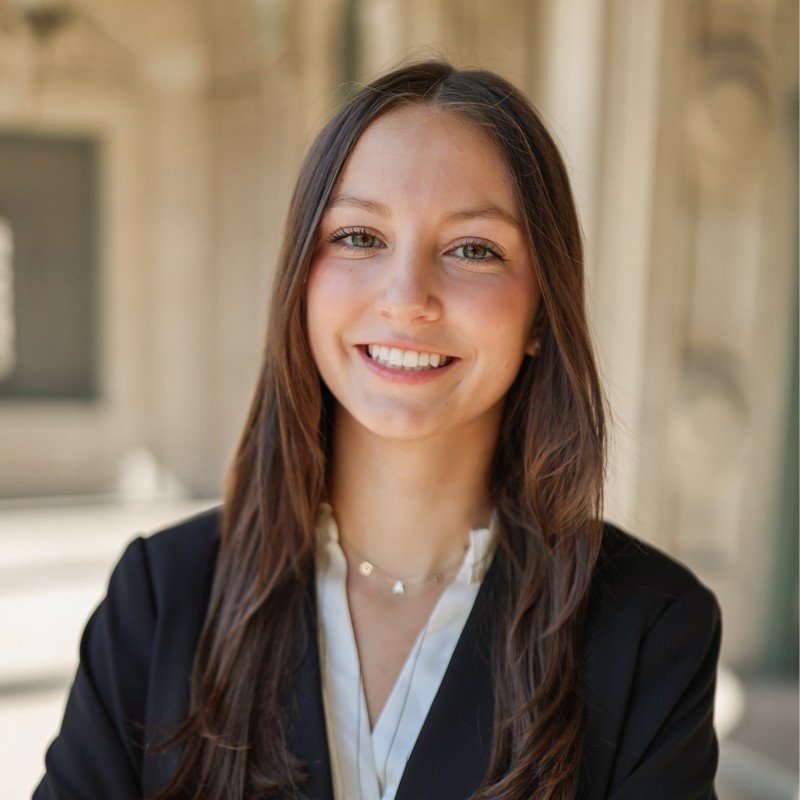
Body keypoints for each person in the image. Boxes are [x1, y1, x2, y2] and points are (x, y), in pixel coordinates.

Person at [33, 60, 722, 800]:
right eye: (360, 236)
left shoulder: (649, 629)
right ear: (301, 280)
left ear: (541, 315)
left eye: (473, 249)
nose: (406, 298)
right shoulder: (163, 598)